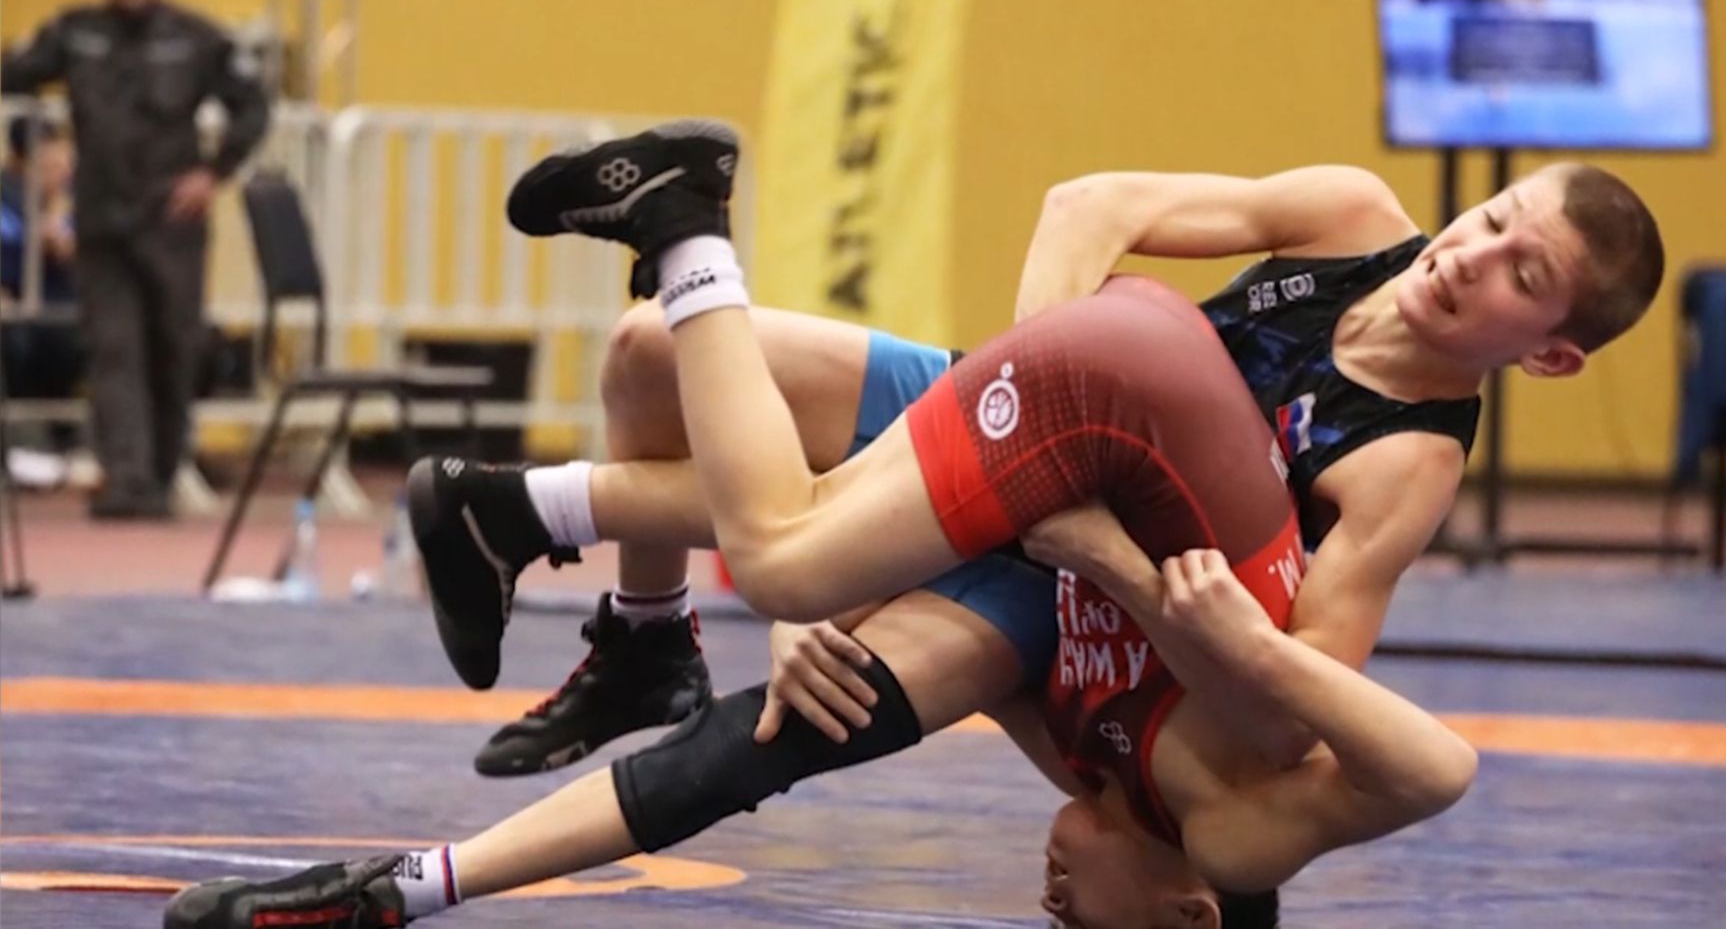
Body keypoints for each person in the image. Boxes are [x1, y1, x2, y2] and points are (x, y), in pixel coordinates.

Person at [444, 120, 1663, 778]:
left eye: (1520, 274)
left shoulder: (1402, 467)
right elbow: (1089, 206)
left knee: (792, 561)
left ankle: (540, 506)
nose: (1469, 254)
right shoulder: (1353, 218)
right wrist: (1024, 400)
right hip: (1027, 409)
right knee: (646, 350)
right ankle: (647, 639)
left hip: (1072, 568)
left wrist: (1115, 564)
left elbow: (1290, 701)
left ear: (1550, 355)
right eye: (1492, 218)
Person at [164, 525, 1473, 929]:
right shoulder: (1231, 824)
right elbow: (1439, 766)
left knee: (647, 366)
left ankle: (416, 876)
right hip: (1095, 463)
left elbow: (957, 627)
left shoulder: (1090, 764)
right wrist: (1236, 640)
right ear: (1189, 913)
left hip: (1026, 526)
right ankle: (620, 599)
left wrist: (812, 606)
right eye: (1081, 925)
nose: (1051, 902)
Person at [1, 0, 268, 518]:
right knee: (113, 349)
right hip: (102, 220)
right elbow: (14, 74)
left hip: (171, 219)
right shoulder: (75, 34)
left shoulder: (195, 38)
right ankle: (128, 482)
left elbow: (252, 106)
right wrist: (38, 151)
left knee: (174, 347)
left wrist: (213, 172)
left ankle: (162, 473)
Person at [0, 116, 85, 418]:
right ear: (19, 166)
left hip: (69, 314)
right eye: (48, 166)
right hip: (20, 321)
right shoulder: (7, 201)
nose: (61, 173)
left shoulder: (77, 201)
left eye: (64, 165)